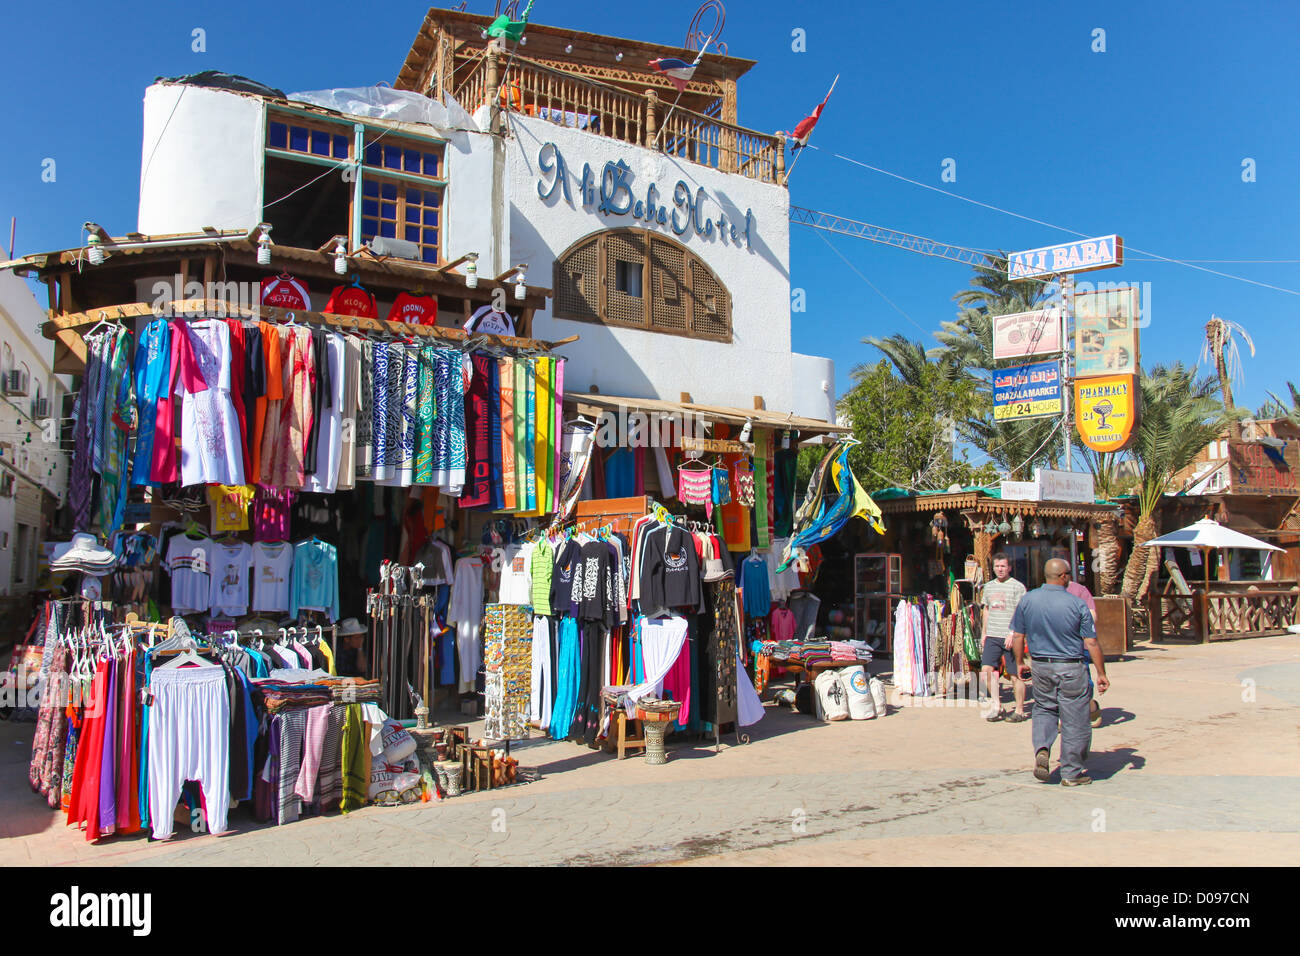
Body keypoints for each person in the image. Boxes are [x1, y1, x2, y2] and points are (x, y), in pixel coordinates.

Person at [1009, 558, 1110, 786]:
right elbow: (1091, 642)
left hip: (1041, 666)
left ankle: (1042, 748)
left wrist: (1020, 662)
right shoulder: (1076, 604)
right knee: (1075, 719)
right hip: (1071, 667)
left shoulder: (1028, 600)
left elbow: (1017, 636)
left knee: (1044, 709)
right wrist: (1101, 673)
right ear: (1063, 576)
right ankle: (1071, 772)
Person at [979, 553, 1028, 722]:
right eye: (997, 566)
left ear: (1009, 568)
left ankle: (1020, 710)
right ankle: (997, 705)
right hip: (993, 634)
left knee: (1015, 675)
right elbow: (986, 609)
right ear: (993, 568)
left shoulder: (1018, 587)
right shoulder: (989, 587)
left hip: (1011, 637)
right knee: (986, 670)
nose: (1000, 569)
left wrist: (1013, 633)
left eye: (1003, 566)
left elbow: (1022, 613)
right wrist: (984, 633)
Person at [1066, 573, 1103, 728]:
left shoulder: (1080, 590)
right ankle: (1067, 718)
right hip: (1056, 648)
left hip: (1079, 646)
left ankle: (1091, 707)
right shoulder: (1046, 593)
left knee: (1083, 681)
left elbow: (1092, 615)